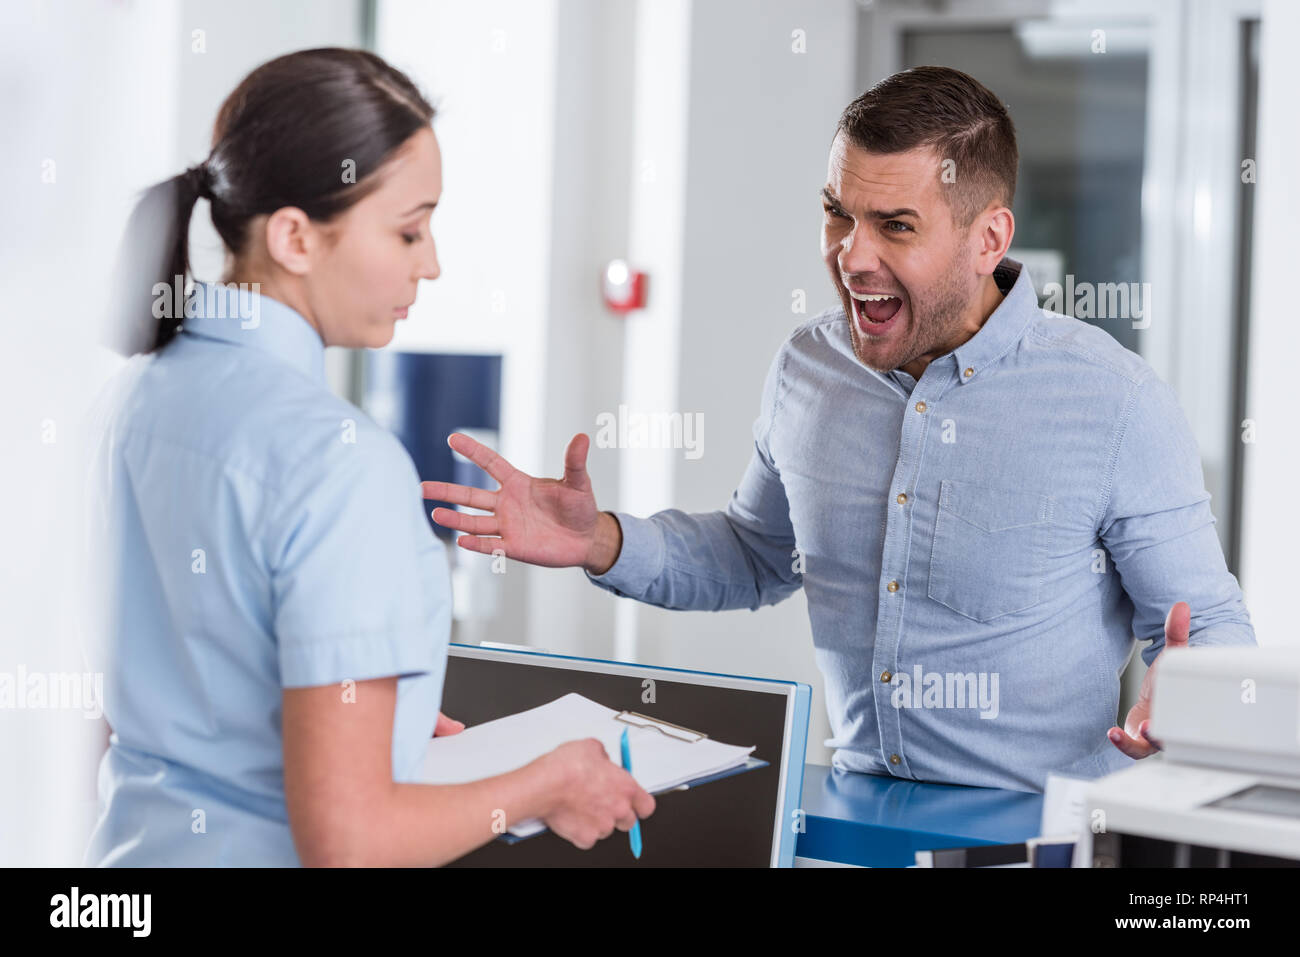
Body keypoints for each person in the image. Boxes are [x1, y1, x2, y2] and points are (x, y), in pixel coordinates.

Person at [423, 66, 1257, 794]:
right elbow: (753, 554)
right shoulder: (807, 368)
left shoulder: (1114, 401)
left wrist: (1185, 689)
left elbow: (1207, 621)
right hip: (852, 820)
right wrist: (601, 540)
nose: (850, 256)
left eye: (895, 225)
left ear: (988, 237)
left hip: (1039, 837)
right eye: (837, 214)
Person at [85, 47, 652, 867]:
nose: (431, 261)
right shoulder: (335, 460)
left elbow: (139, 705)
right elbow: (349, 842)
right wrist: (544, 784)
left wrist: (365, 723)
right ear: (294, 238)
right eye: (409, 229)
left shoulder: (126, 403)